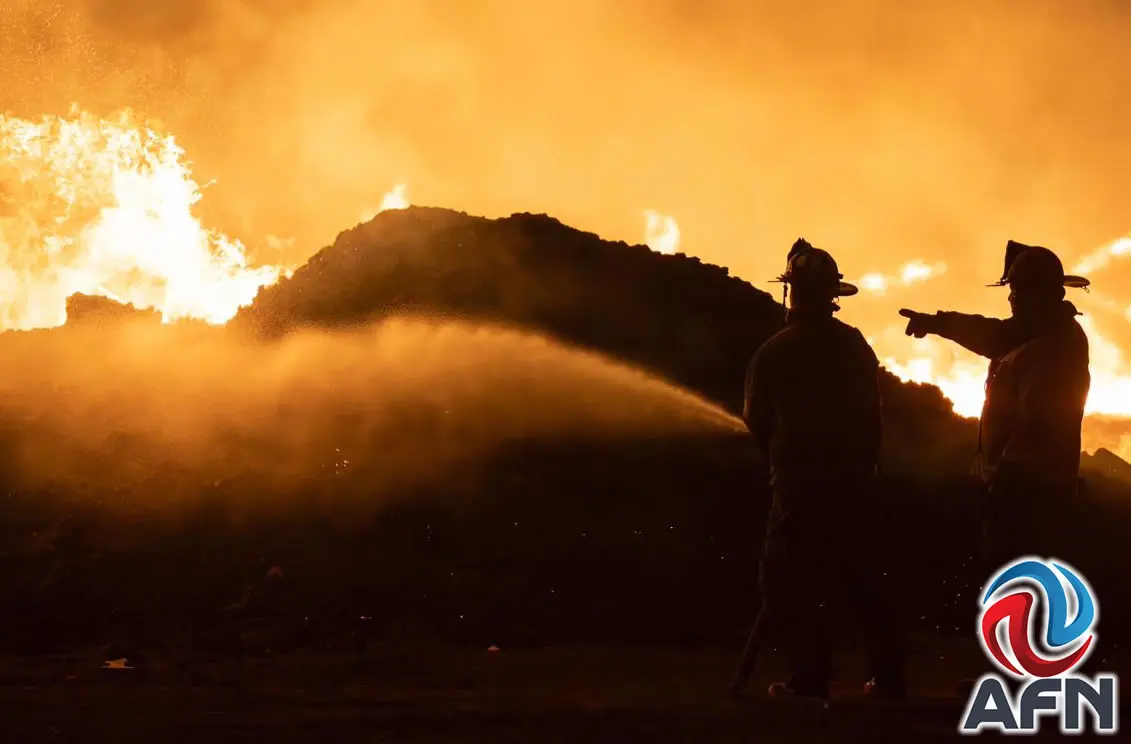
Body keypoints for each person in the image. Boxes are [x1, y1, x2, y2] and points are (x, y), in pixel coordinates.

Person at [742, 238, 905, 700]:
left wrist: (781, 459)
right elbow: (873, 417)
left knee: (788, 580)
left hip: (797, 487)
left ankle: (810, 677)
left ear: (791, 291)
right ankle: (888, 678)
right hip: (855, 483)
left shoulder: (773, 351)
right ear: (833, 294)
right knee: (863, 580)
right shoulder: (854, 345)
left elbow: (756, 419)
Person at [899, 240, 1091, 572]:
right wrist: (936, 323)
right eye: (1012, 290)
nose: (1012, 298)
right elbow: (988, 332)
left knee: (1017, 582)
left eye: (1019, 290)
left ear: (1046, 294)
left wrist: (1002, 487)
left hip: (1031, 502)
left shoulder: (1055, 348)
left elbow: (1038, 432)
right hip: (1018, 495)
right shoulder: (1029, 333)